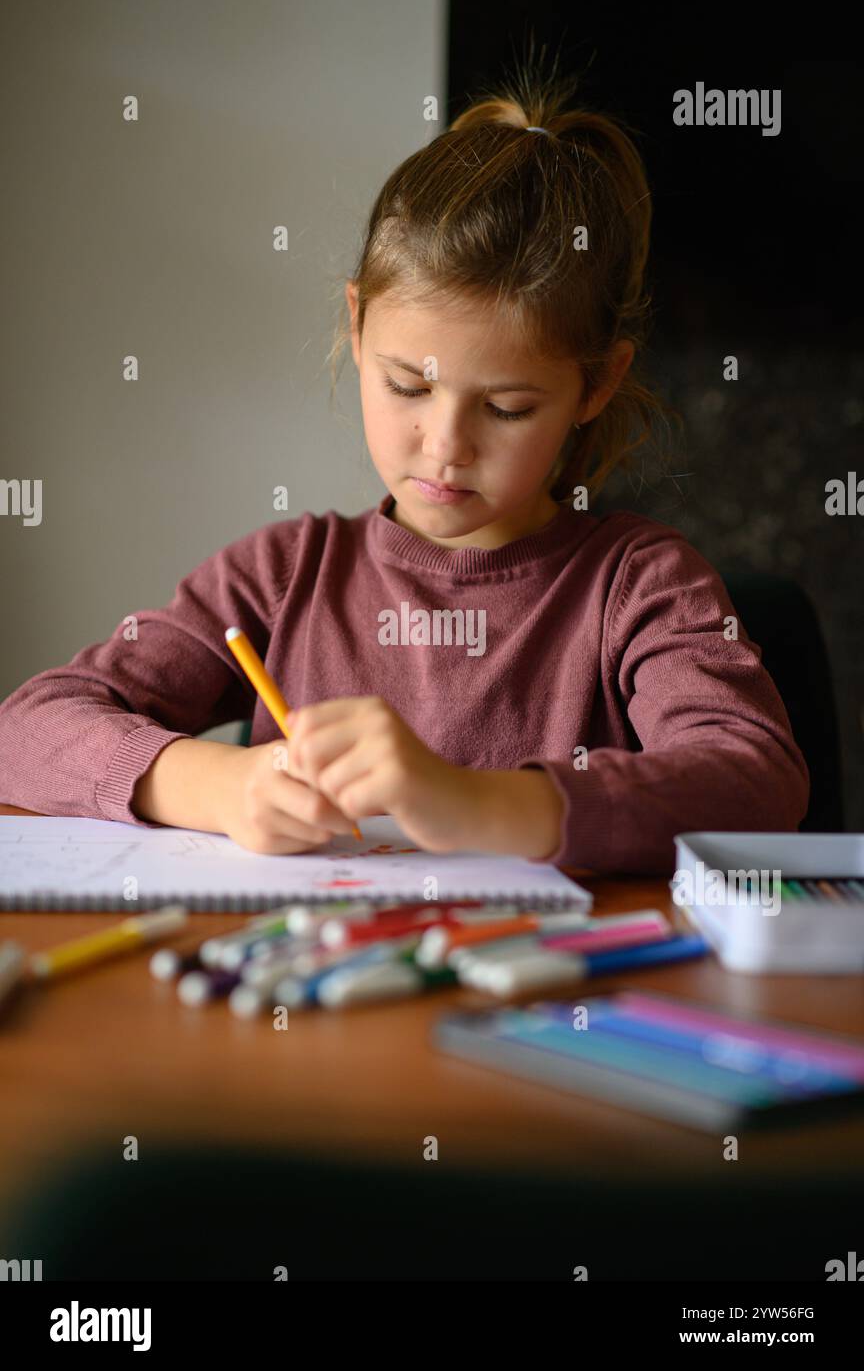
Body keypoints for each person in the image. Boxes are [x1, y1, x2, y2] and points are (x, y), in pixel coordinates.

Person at [0, 68, 809, 874]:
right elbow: (27, 727)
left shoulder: (638, 586)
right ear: (356, 325)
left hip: (541, 989)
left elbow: (758, 781)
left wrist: (473, 802)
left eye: (507, 408)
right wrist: (220, 785)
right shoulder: (281, 577)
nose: (445, 445)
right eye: (408, 386)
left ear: (595, 383)